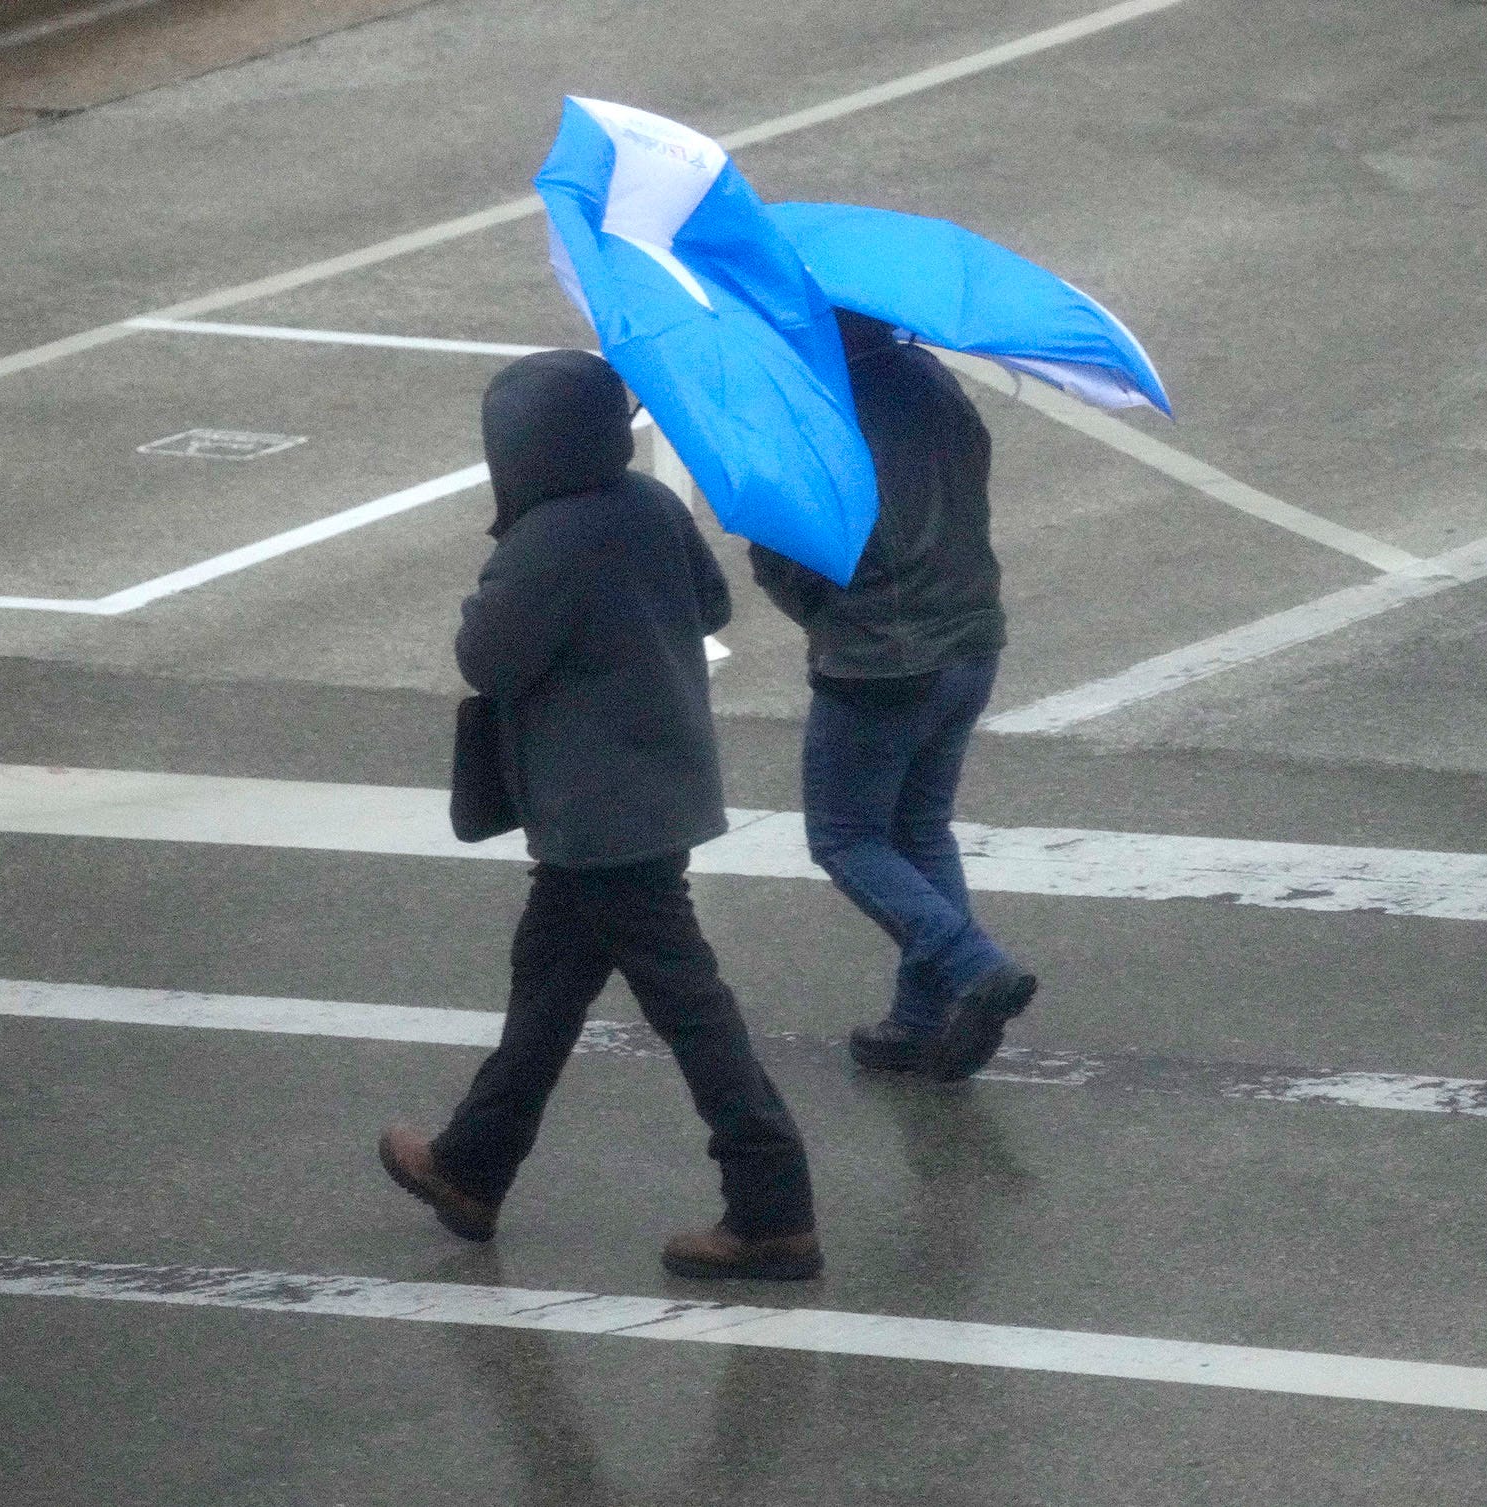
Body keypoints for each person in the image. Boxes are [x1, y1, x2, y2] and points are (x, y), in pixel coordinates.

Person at [380, 348, 822, 1282]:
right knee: (546, 988)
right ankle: (471, 1167)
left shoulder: (545, 541)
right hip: (655, 795)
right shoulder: (650, 507)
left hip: (597, 818)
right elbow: (709, 600)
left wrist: (507, 564)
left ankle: (774, 1208)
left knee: (692, 1012)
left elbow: (486, 659)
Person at [750, 309, 1037, 1083]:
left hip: (881, 661)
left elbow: (790, 556)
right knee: (919, 829)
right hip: (971, 640)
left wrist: (822, 616)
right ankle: (920, 1022)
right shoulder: (933, 383)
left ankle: (972, 965)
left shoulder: (820, 412)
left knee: (845, 837)